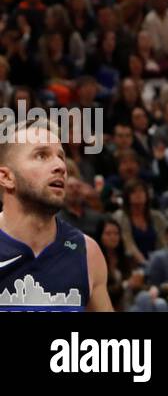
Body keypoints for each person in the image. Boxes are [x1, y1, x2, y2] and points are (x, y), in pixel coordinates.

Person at [0, 118, 113, 311]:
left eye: (60, 156)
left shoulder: (87, 252)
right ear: (7, 177)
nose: (60, 166)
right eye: (41, 156)